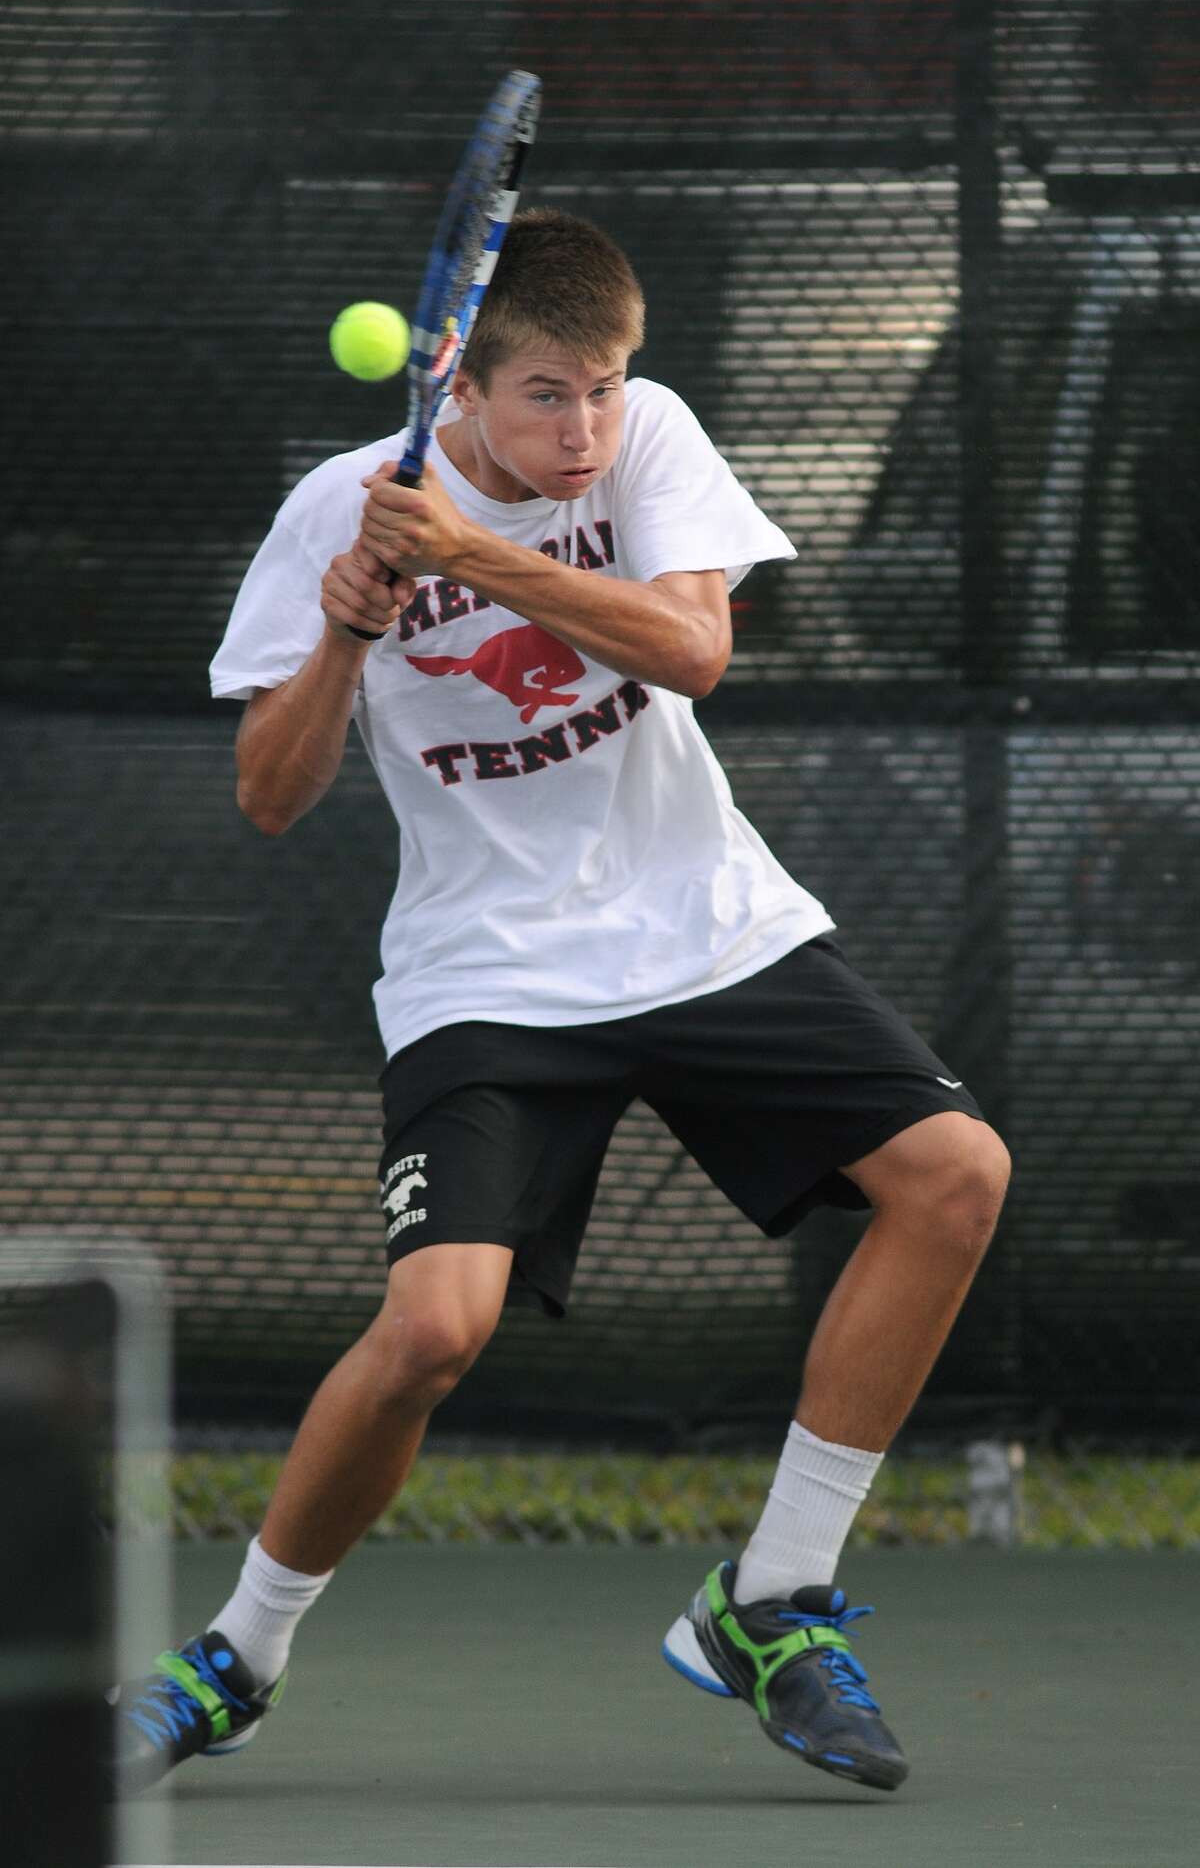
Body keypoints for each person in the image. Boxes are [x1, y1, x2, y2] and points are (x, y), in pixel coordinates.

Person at [110, 209, 1009, 1797]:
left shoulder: (645, 440)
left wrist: (474, 554)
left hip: (705, 926)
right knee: (431, 1332)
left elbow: (693, 647)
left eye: (603, 385)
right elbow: (270, 791)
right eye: (547, 394)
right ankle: (237, 1656)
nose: (583, 427)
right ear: (458, 380)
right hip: (488, 972)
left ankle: (774, 1596)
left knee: (956, 1174)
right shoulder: (339, 506)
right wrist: (345, 627)